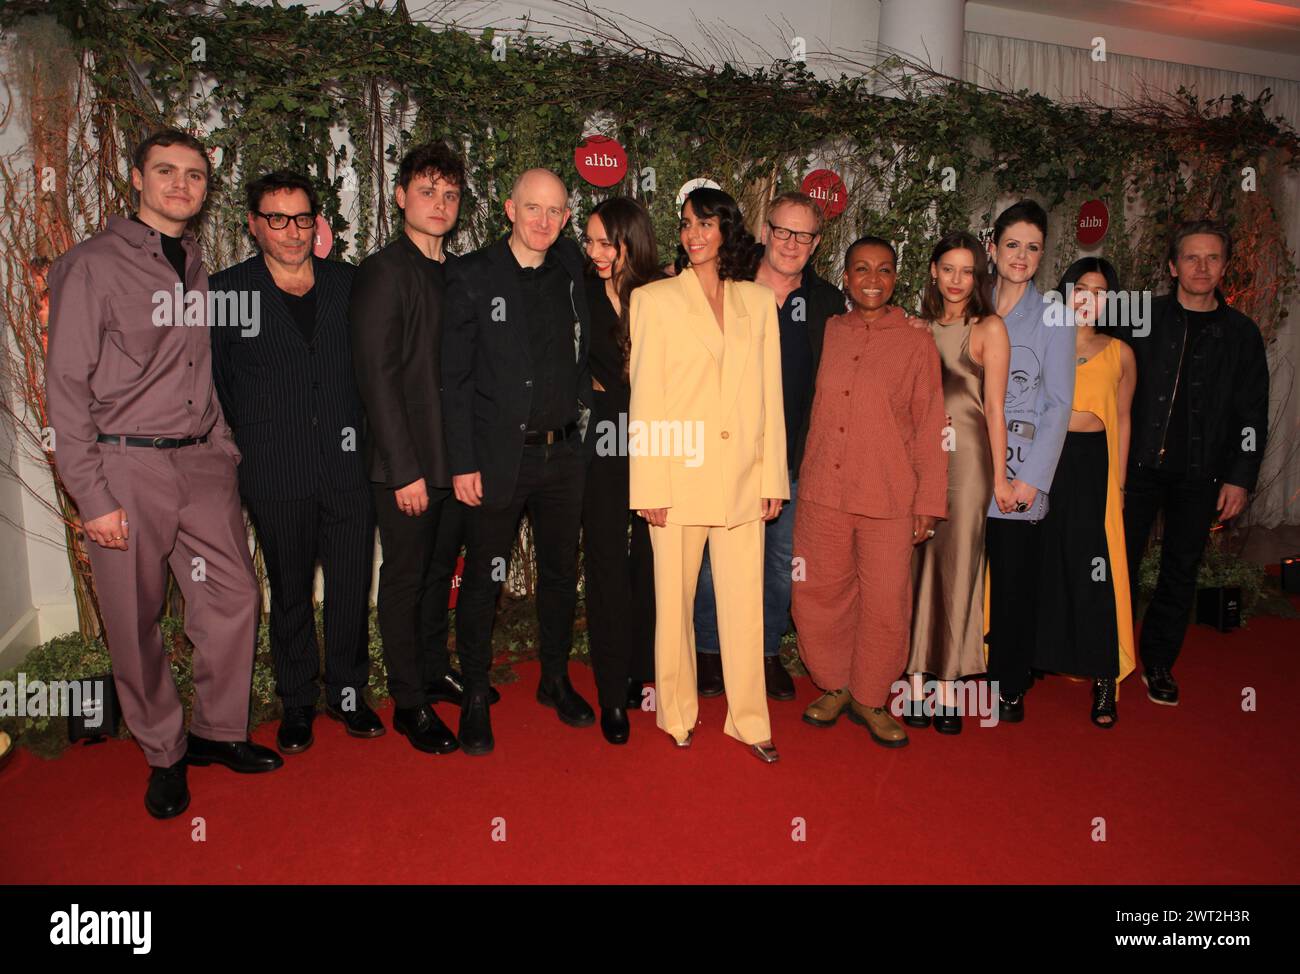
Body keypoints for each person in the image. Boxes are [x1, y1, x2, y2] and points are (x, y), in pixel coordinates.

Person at [46, 129, 281, 820]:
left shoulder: (197, 264)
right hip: (126, 468)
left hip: (202, 462)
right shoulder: (90, 266)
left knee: (234, 597)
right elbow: (65, 387)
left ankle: (215, 732)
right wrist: (92, 493)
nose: (182, 185)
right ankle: (164, 752)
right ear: (138, 178)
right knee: (134, 618)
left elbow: (196, 367)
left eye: (196, 176)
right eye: (167, 171)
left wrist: (225, 445)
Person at [211, 170, 377, 755]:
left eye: (302, 218)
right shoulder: (225, 293)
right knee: (288, 588)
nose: (291, 231)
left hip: (350, 465)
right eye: (277, 218)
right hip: (274, 467)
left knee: (353, 582)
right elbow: (219, 386)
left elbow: (372, 371)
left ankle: (350, 695)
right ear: (254, 224)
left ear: (317, 222)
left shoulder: (350, 285)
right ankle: (298, 701)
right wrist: (256, 441)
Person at [629, 187, 788, 762]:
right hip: (677, 478)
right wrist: (649, 486)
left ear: (726, 231)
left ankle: (750, 720)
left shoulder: (758, 301)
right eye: (686, 224)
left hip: (744, 478)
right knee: (673, 605)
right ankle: (677, 712)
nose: (693, 234)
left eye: (704, 224)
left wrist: (773, 477)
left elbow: (769, 395)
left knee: (744, 605)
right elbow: (645, 399)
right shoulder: (655, 299)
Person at [442, 168, 596, 755]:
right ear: (510, 208)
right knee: (484, 581)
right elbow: (452, 380)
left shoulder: (572, 273)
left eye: (556, 211)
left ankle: (554, 680)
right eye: (533, 208)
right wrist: (462, 461)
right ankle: (477, 692)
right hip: (495, 460)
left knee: (560, 576)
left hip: (564, 457)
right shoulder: (472, 275)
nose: (544, 221)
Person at [793, 236, 947, 748]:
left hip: (888, 496)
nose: (873, 279)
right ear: (846, 277)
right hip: (822, 491)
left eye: (883, 270)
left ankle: (870, 696)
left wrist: (928, 502)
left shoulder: (915, 340)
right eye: (861, 269)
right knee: (818, 593)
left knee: (886, 600)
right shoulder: (829, 330)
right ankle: (834, 685)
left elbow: (929, 425)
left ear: (896, 278)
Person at [691, 191, 844, 702]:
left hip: (792, 459)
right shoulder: (726, 282)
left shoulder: (826, 302)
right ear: (764, 229)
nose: (791, 243)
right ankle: (709, 653)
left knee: (779, 566)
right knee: (713, 563)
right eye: (782, 230)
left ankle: (764, 654)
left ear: (817, 243)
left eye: (803, 235)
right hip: (723, 455)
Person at [1121, 220, 1269, 706]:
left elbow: (1251, 415)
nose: (1201, 267)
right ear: (1172, 266)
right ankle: (1106, 657)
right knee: (1116, 566)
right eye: (1191, 257)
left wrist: (1240, 478)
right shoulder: (1140, 315)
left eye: (1212, 258)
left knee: (1180, 571)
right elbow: (1071, 321)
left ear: (1225, 267)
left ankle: (1159, 664)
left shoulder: (1242, 334)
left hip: (1202, 474)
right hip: (1136, 469)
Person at [350, 143, 463, 755]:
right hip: (407, 469)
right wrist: (404, 471)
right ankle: (408, 702)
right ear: (400, 197)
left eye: (449, 194)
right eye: (427, 191)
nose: (439, 204)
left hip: (452, 463)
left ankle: (432, 668)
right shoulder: (382, 272)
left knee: (437, 575)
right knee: (403, 580)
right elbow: (376, 378)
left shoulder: (457, 272)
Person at [904, 231, 1010, 735]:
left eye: (968, 272)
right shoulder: (916, 327)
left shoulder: (989, 328)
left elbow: (996, 409)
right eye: (948, 269)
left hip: (969, 463)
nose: (957, 280)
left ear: (978, 277)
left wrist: (1003, 476)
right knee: (917, 565)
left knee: (959, 566)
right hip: (920, 460)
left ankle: (948, 687)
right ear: (932, 270)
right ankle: (916, 683)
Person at [1033, 257, 1137, 726]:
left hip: (1091, 467)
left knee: (1093, 568)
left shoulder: (1119, 352)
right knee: (1041, 561)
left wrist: (1118, 484)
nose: (1088, 299)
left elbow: (1123, 418)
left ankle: (1103, 679)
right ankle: (1032, 658)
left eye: (1098, 291)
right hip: (1043, 463)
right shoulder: (1040, 343)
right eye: (1080, 288)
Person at [983, 199, 1076, 723]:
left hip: (1020, 468)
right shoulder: (971, 299)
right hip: (963, 465)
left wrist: (1033, 482)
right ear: (993, 247)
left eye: (1033, 247)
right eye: (1013, 244)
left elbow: (1058, 404)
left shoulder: (1055, 316)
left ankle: (1010, 682)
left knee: (1016, 583)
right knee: (960, 579)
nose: (1021, 256)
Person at [581, 197, 662, 744]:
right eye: (588, 241)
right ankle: (611, 691)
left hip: (659, 435)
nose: (596, 253)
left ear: (632, 240)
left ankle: (640, 672)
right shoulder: (578, 288)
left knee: (653, 563)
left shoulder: (665, 293)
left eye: (607, 242)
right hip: (604, 437)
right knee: (607, 563)